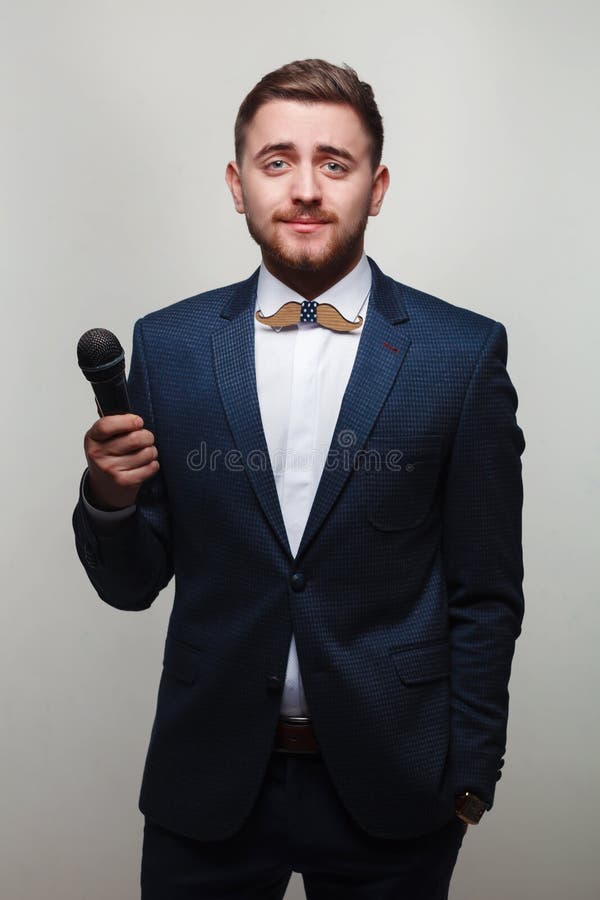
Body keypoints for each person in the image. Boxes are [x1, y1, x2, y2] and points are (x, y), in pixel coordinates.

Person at [73, 59, 525, 899]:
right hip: (206, 781)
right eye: (277, 161)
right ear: (238, 185)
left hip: (395, 790)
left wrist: (469, 776)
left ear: (376, 186)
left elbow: (486, 592)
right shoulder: (167, 349)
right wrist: (111, 498)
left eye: (335, 163)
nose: (306, 188)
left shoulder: (461, 356)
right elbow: (133, 585)